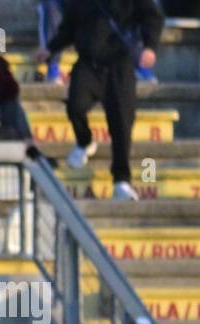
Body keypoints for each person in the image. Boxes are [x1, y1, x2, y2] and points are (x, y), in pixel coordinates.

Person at [38, 0, 163, 200]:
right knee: (75, 107)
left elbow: (153, 18)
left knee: (121, 125)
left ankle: (121, 181)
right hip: (88, 64)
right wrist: (51, 48)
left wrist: (150, 46)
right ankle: (84, 141)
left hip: (119, 67)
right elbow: (68, 27)